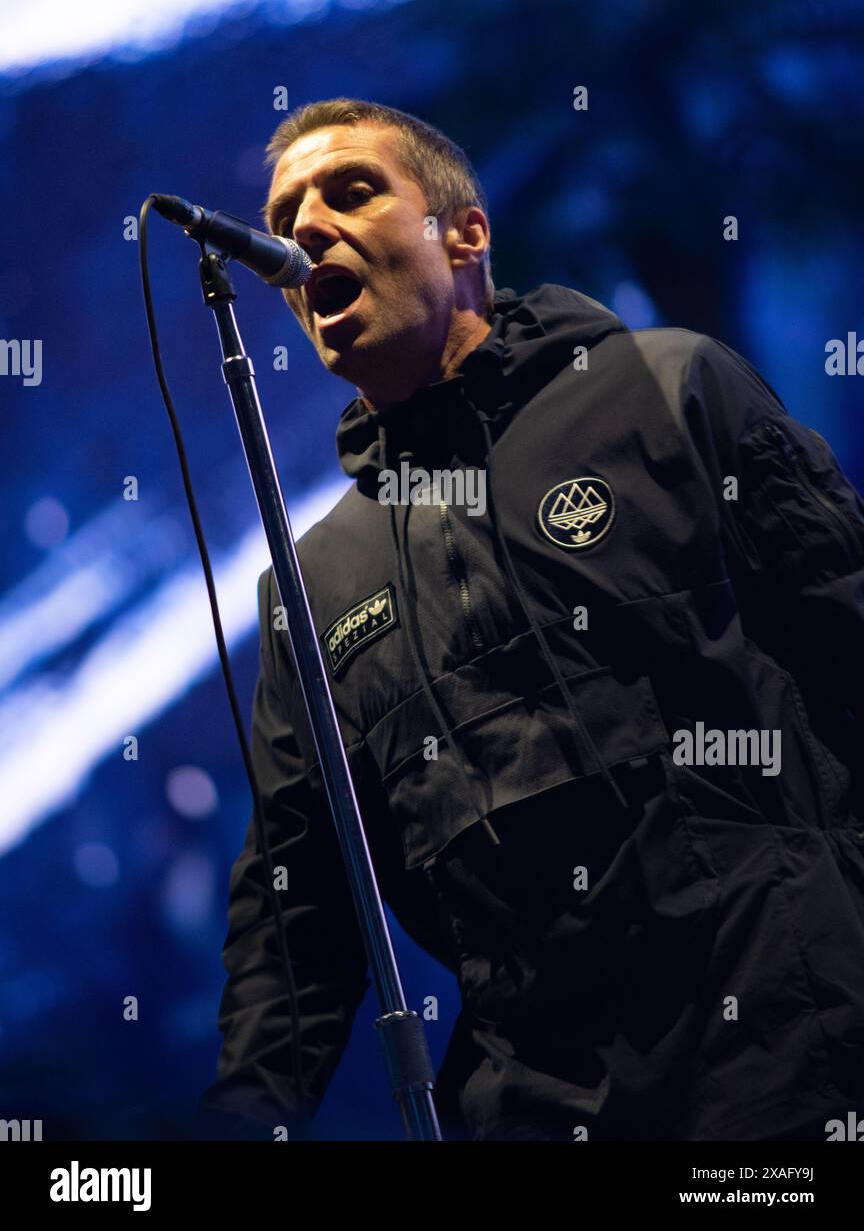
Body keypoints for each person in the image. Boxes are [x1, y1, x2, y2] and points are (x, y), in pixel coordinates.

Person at [199, 97, 864, 1142]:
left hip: (787, 1062)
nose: (305, 228)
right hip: (539, 1109)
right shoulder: (313, 580)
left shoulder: (669, 389)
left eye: (353, 189)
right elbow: (302, 907)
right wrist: (244, 1119)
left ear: (465, 234)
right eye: (287, 210)